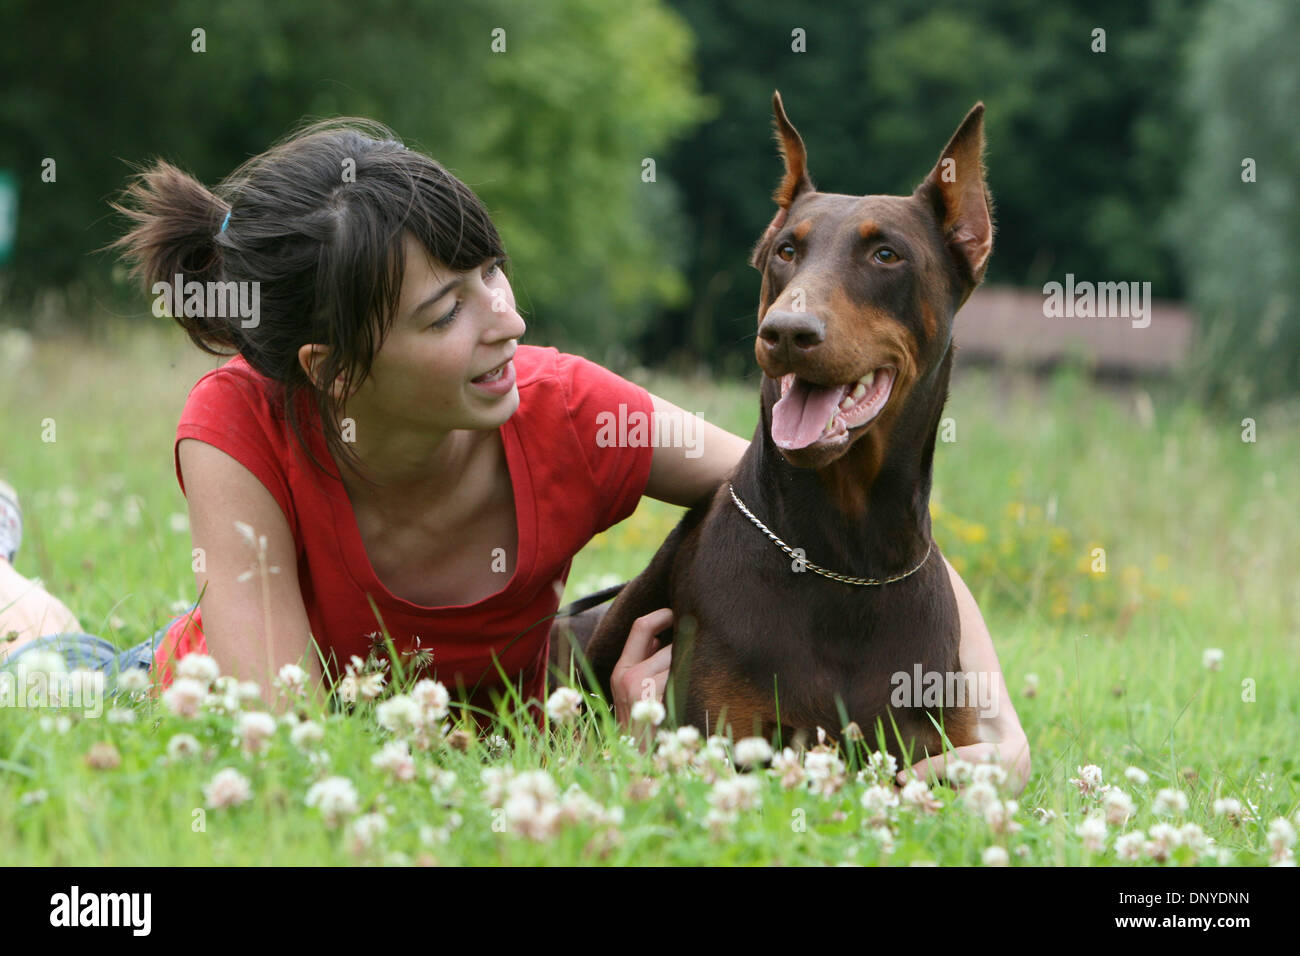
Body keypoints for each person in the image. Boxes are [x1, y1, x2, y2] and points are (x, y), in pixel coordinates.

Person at [1, 118, 1029, 793]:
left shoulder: (567, 409)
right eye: (449, 308)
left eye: (492, 272)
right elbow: (284, 739)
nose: (508, 318)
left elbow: (868, 534)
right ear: (337, 371)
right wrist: (573, 744)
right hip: (170, 691)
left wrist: (995, 726)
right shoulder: (241, 423)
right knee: (42, 672)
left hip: (473, 738)